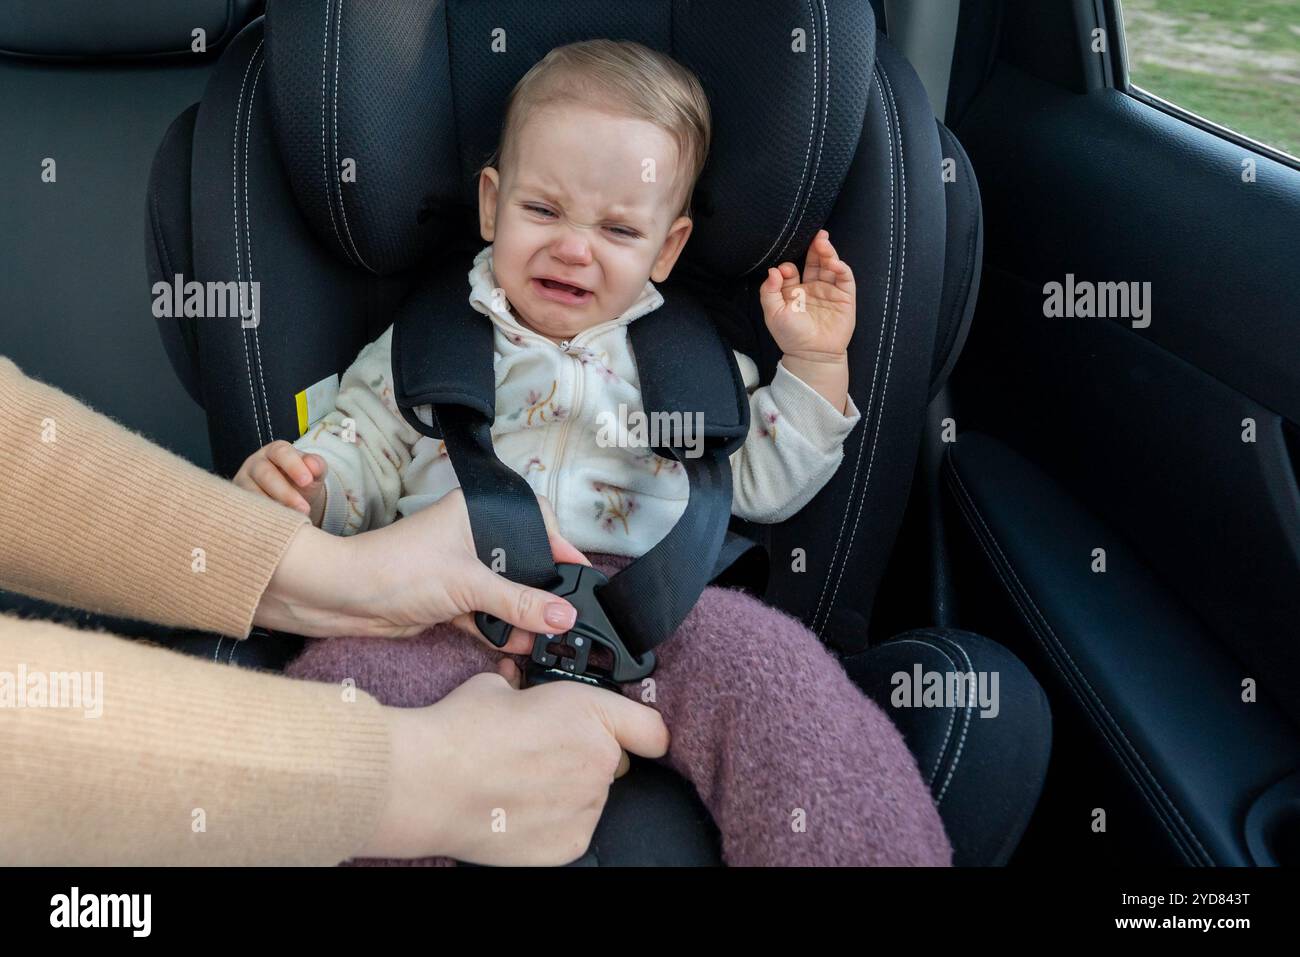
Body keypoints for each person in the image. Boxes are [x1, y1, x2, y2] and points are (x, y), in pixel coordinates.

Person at [234, 40, 952, 866]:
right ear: (491, 203)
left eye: (617, 228)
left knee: (779, 677)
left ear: (668, 247)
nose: (575, 248)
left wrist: (815, 366)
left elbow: (761, 480)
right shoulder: (426, 352)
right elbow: (358, 450)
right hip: (444, 607)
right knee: (343, 696)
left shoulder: (688, 366)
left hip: (653, 615)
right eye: (544, 211)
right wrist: (308, 489)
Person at [0, 353, 668, 866]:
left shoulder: (682, 368)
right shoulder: (429, 348)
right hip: (438, 640)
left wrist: (339, 576)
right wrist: (427, 778)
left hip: (631, 599)